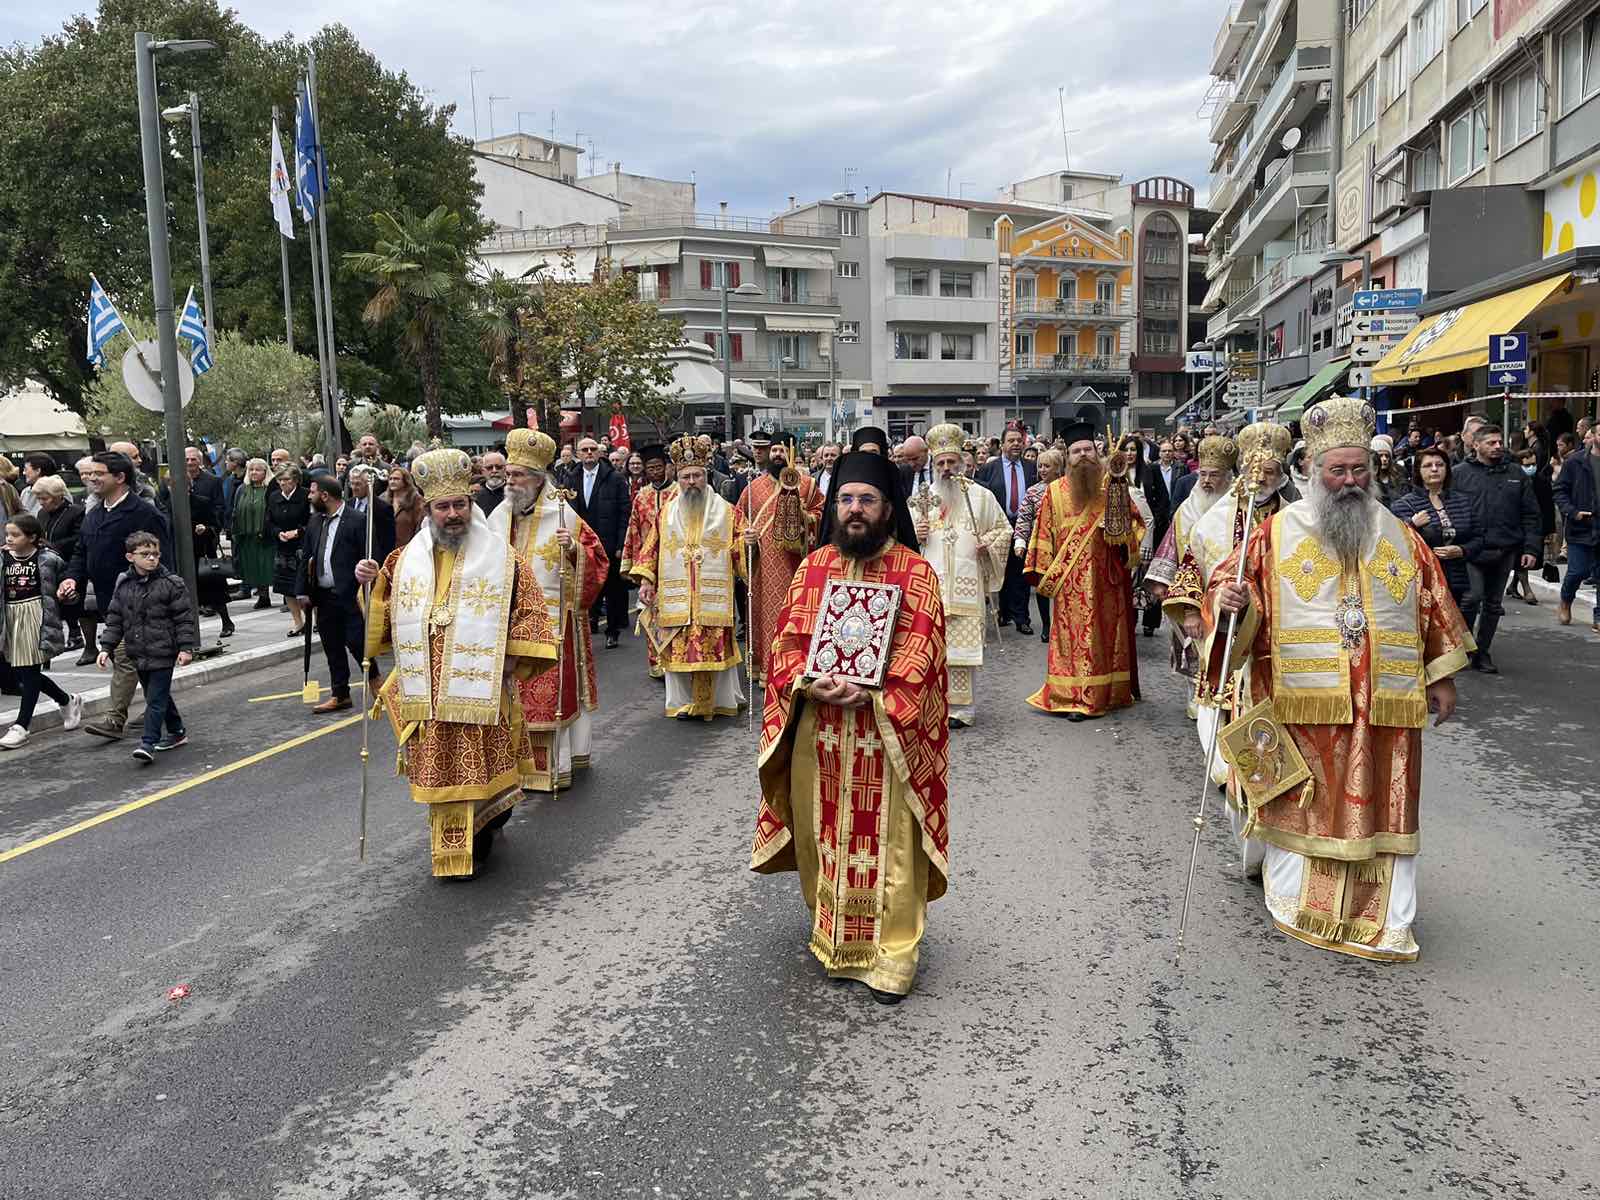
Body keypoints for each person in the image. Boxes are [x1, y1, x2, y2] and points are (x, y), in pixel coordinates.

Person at [1205, 395, 1473, 962]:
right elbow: (1232, 602)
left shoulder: (1402, 537)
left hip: (1383, 708)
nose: (1349, 480)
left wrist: (1440, 678)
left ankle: (1388, 919)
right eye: (1337, 470)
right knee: (1309, 801)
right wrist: (1229, 602)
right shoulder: (1273, 533)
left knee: (1385, 808)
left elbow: (1433, 608)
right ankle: (1299, 899)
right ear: (1313, 471)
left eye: (1358, 469)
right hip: (1303, 705)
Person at [751, 449, 949, 1003]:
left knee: (891, 844)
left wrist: (873, 692)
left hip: (884, 735)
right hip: (821, 729)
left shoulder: (917, 573)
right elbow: (786, 642)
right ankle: (835, 937)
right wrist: (805, 683)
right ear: (833, 507)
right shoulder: (813, 569)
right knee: (823, 833)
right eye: (845, 500)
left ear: (888, 509)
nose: (854, 509)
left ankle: (893, 956)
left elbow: (924, 649)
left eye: (866, 500)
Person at [356, 448, 557, 877]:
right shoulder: (401, 561)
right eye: (443, 506)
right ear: (428, 510)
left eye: (459, 505)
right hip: (427, 693)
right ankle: (454, 845)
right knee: (439, 775)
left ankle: (483, 830)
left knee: (484, 775)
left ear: (471, 504)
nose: (452, 514)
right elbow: (383, 617)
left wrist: (510, 663)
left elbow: (531, 615)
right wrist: (371, 586)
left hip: (479, 690)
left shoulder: (504, 559)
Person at [489, 429, 609, 791]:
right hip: (509, 624)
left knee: (548, 691)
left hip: (554, 624)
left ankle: (554, 766)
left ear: (538, 479)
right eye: (508, 475)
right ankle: (512, 768)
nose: (510, 482)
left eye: (517, 475)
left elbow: (598, 562)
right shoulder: (498, 516)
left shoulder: (565, 515)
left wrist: (573, 549)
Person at [1023, 423, 1144, 721]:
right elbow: (1044, 534)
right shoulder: (1053, 492)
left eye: (1088, 449)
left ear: (1097, 451)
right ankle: (1070, 695)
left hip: (1106, 580)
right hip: (1069, 585)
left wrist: (1119, 533)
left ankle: (1104, 694)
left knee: (1104, 639)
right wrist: (1044, 573)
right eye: (1076, 451)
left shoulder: (1112, 485)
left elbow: (1135, 527)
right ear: (1068, 457)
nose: (1083, 456)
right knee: (1069, 641)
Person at [58, 452, 173, 740]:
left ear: (120, 478)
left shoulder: (144, 514)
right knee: (141, 662)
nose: (91, 478)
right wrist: (72, 578)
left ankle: (114, 718)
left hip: (142, 602)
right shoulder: (94, 514)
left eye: (98, 473)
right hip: (110, 601)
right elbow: (81, 554)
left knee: (125, 657)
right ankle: (162, 712)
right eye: (89, 473)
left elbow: (162, 559)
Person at [632, 435, 748, 720]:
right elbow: (652, 549)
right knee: (680, 651)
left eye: (697, 475)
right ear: (678, 477)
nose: (692, 481)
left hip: (711, 597)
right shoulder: (666, 513)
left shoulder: (728, 511)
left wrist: (749, 544)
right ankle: (684, 703)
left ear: (705, 476)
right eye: (686, 477)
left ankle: (720, 701)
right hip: (678, 598)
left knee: (712, 648)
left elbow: (740, 551)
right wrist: (647, 581)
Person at [910, 424, 1009, 728]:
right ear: (933, 465)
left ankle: (961, 710)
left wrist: (987, 545)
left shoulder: (981, 496)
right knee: (931, 651)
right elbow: (906, 542)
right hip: (932, 588)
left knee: (962, 654)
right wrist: (917, 533)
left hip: (967, 586)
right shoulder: (922, 498)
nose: (946, 468)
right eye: (940, 463)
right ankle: (933, 706)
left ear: (963, 462)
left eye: (951, 462)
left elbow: (1003, 530)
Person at [97, 530, 196, 763]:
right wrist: (105, 648)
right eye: (145, 554)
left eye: (155, 554)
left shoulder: (172, 583)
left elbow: (184, 618)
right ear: (130, 557)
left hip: (163, 650)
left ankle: (148, 742)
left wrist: (185, 648)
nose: (152, 558)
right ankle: (178, 731)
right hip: (137, 652)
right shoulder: (124, 584)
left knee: (155, 699)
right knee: (159, 695)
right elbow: (115, 620)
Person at [737, 433, 824, 689]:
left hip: (799, 567)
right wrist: (746, 538)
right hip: (764, 571)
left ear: (792, 453)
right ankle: (766, 669)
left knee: (799, 618)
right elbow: (738, 523)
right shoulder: (752, 488)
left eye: (782, 450)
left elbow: (821, 517)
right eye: (774, 450)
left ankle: (798, 669)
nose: (777, 455)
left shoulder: (807, 485)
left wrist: (803, 518)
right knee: (766, 618)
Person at [1147, 436, 1237, 681]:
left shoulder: (1240, 509)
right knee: (1194, 647)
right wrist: (1162, 583)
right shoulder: (1187, 509)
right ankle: (1196, 696)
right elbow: (1172, 548)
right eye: (1203, 474)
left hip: (1227, 593)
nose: (1207, 481)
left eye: (1214, 475)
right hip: (1191, 592)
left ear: (1228, 476)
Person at [303, 473, 394, 713]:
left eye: (312, 492)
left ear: (325, 495)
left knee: (357, 642)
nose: (309, 496)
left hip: (350, 594)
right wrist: (303, 592)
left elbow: (372, 555)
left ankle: (376, 683)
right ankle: (340, 694)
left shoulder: (358, 520)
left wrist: (369, 582)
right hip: (323, 595)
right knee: (332, 645)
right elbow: (307, 557)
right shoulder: (315, 521)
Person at [1453, 423, 1540, 673]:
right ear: (1476, 445)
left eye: (1499, 442)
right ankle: (1463, 648)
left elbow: (1531, 514)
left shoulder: (1516, 473)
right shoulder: (1460, 473)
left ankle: (1482, 652)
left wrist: (1531, 549)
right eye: (1491, 442)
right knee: (1472, 598)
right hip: (1471, 549)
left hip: (1505, 549)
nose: (1498, 446)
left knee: (1493, 605)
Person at [0, 514, 82, 747]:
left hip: (37, 616)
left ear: (32, 537)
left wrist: (66, 592)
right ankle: (67, 700)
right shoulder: (3, 557)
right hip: (9, 618)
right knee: (21, 673)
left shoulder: (48, 559)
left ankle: (22, 726)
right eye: (8, 534)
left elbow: (67, 588)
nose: (10, 539)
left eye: (15, 535)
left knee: (29, 672)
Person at [1390, 446, 1481, 610]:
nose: (1434, 469)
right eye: (1427, 465)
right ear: (1418, 471)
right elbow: (1394, 541)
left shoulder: (1462, 501)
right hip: (1425, 578)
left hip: (1458, 574)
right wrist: (1412, 524)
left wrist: (1462, 550)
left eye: (1439, 465)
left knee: (1463, 618)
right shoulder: (1404, 505)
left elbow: (1478, 537)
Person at [978, 421, 1039, 633]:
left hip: (1024, 526)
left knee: (1022, 571)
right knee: (1000, 569)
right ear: (1002, 444)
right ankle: (1004, 613)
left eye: (1019, 441)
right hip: (999, 527)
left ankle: (1022, 618)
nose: (1015, 444)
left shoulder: (1032, 468)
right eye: (1011, 441)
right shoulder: (988, 469)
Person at [571, 435, 631, 649]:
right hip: (582, 544)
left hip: (608, 543)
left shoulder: (614, 478)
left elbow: (625, 512)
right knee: (586, 585)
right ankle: (591, 621)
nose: (588, 453)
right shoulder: (571, 478)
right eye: (584, 450)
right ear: (577, 454)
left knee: (612, 589)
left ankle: (612, 630)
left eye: (592, 449)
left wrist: (621, 544)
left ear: (599, 453)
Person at [1012, 448, 1063, 643]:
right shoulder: (1033, 491)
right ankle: (1046, 624)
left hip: (1063, 541)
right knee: (1042, 583)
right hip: (1040, 543)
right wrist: (1020, 541)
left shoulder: (1068, 488)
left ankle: (1061, 623)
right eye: (1040, 466)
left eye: (1047, 466)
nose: (1042, 469)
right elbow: (1023, 518)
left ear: (1057, 468)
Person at [1553, 423, 1600, 632]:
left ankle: (1598, 617)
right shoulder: (1576, 461)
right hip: (1581, 526)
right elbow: (1560, 491)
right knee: (1577, 571)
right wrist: (1573, 512)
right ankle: (1565, 599)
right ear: (1594, 436)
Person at [34, 475, 86, 657]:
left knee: (70, 599)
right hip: (47, 563)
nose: (41, 502)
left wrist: (53, 545)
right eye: (38, 498)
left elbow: (79, 538)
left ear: (57, 496)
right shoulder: (41, 514)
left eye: (44, 498)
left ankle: (75, 632)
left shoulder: (76, 512)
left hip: (69, 561)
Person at [267, 465, 311, 637]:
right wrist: (278, 533)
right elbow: (268, 520)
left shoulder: (306, 495)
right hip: (283, 547)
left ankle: (314, 619)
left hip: (302, 546)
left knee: (306, 586)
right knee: (287, 588)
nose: (283, 483)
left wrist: (298, 532)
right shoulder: (274, 497)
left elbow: (314, 520)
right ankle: (298, 622)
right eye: (280, 480)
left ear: (296, 480)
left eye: (287, 480)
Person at [229, 458, 275, 610]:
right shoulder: (242, 489)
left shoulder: (271, 488)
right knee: (254, 566)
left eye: (258, 469)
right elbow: (235, 510)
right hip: (247, 536)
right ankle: (263, 596)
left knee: (268, 565)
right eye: (251, 470)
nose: (254, 472)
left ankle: (287, 597)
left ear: (265, 472)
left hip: (267, 536)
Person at [385, 465, 426, 548]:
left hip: (408, 547)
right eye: (390, 479)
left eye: (396, 479)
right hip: (388, 548)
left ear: (405, 481)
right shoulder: (384, 499)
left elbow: (420, 526)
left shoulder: (416, 500)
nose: (392, 481)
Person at [473, 450, 508, 515]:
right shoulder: (475, 495)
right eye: (489, 468)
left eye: (499, 467)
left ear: (505, 469)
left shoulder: (513, 493)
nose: (494, 471)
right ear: (483, 471)